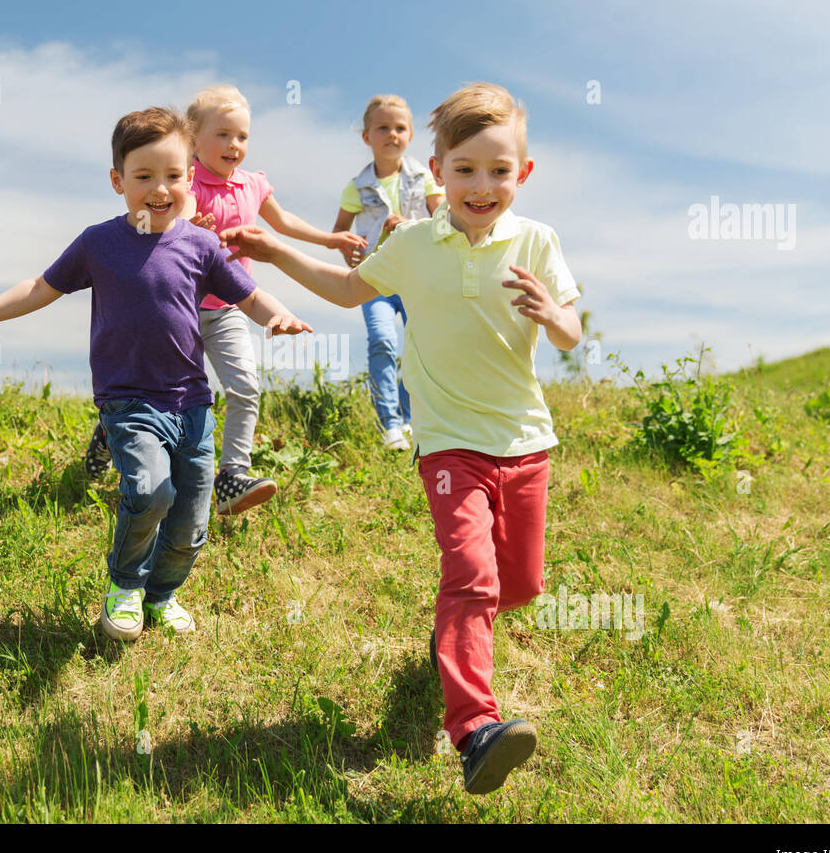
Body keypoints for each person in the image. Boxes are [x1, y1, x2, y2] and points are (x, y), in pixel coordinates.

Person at [219, 83, 582, 793]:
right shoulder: (414, 243)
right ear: (436, 172)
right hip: (448, 443)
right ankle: (475, 728)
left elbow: (569, 327)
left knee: (521, 585)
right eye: (467, 169)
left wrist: (553, 315)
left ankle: (457, 634)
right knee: (471, 576)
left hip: (524, 441)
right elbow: (348, 288)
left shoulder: (538, 241)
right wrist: (271, 247)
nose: (483, 186)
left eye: (500, 171)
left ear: (524, 174)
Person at [0, 106, 311, 642]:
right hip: (129, 401)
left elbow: (250, 295)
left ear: (190, 178)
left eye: (172, 176)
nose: (159, 189)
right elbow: (40, 286)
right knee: (150, 491)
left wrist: (277, 315)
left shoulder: (201, 244)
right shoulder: (99, 243)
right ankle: (124, 587)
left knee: (192, 524)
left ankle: (162, 596)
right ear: (117, 180)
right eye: (143, 176)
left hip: (191, 404)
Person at [84, 85, 366, 515]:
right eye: (223, 135)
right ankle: (112, 430)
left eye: (242, 136)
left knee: (246, 385)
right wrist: (188, 222)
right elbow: (170, 214)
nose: (234, 145)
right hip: (180, 310)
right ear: (194, 141)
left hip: (229, 308)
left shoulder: (253, 184)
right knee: (156, 395)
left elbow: (284, 222)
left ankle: (233, 473)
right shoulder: (186, 180)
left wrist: (329, 239)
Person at [331, 94, 445, 450]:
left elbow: (444, 219)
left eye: (400, 128)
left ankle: (411, 419)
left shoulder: (424, 177)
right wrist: (354, 250)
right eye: (383, 128)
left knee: (419, 346)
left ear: (410, 135)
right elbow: (340, 233)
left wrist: (408, 224)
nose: (392, 134)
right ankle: (390, 424)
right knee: (383, 340)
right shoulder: (357, 186)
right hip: (375, 278)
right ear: (367, 137)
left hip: (416, 278)